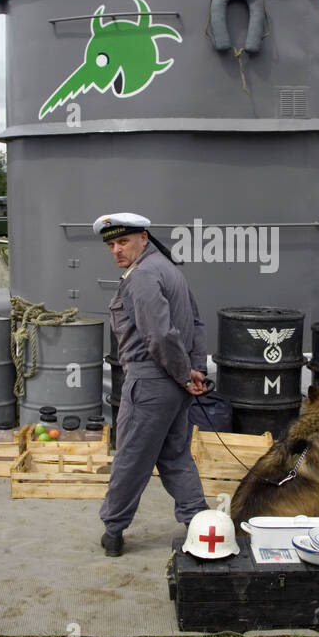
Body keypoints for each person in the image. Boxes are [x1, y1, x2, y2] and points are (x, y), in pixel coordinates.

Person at [94, 211, 209, 557]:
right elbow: (197, 324)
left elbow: (159, 335)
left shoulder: (142, 276)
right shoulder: (170, 270)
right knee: (174, 455)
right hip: (174, 385)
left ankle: (113, 530)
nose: (116, 250)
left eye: (123, 241)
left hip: (149, 383)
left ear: (143, 238)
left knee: (131, 457)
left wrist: (185, 374)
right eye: (111, 244)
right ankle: (199, 522)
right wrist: (194, 370)